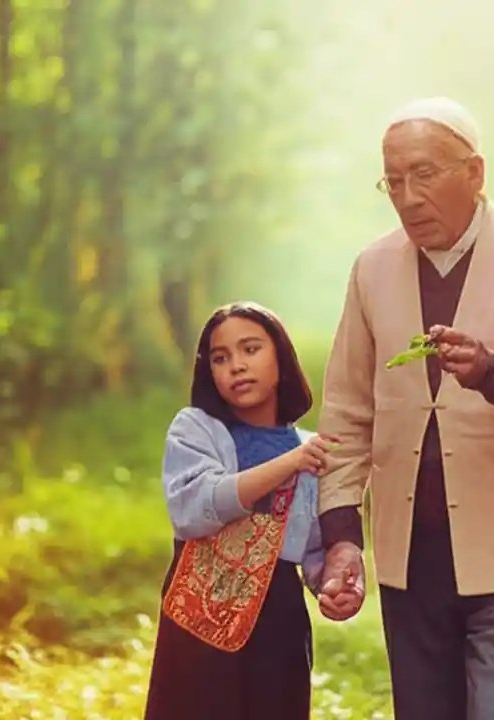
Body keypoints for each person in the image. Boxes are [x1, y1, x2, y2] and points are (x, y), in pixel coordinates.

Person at [313, 96, 494, 719]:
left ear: (474, 173)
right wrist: (342, 535)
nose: (407, 196)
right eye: (393, 181)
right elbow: (345, 415)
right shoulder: (372, 268)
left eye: (424, 175)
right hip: (408, 559)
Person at [143, 301, 344, 720]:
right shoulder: (195, 429)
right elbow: (193, 510)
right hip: (200, 607)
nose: (236, 366)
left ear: (281, 358)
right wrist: (288, 464)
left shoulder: (308, 451)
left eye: (251, 350)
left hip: (278, 615)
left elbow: (312, 551)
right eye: (221, 357)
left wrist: (335, 587)